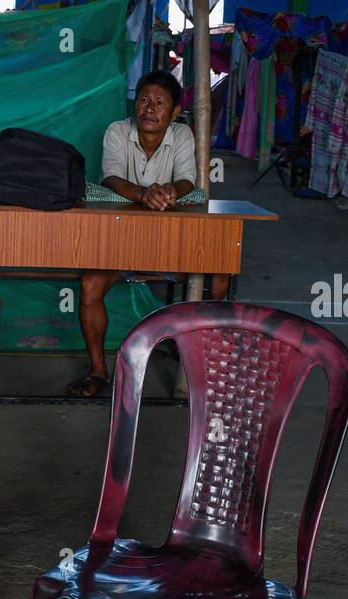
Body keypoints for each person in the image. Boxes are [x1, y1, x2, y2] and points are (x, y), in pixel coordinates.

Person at [70, 70, 220, 398]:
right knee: (89, 285)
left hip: (165, 241)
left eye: (160, 103)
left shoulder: (183, 135)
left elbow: (187, 181)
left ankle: (201, 364)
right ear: (134, 105)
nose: (149, 108)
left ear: (175, 112)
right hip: (118, 238)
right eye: (143, 100)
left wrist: (168, 191)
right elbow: (110, 179)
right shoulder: (117, 131)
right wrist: (142, 195)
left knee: (216, 274)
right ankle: (98, 371)